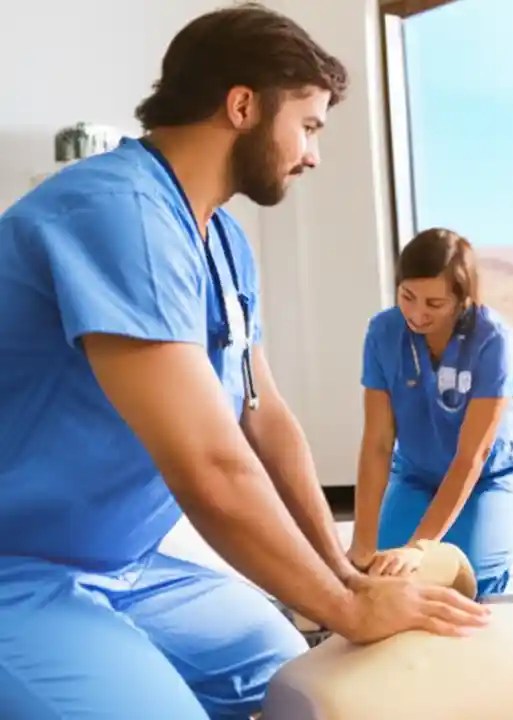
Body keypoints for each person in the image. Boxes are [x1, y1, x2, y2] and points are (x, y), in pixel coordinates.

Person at [0, 6, 487, 718]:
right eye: (310, 125)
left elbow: (266, 419)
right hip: (18, 569)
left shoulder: (221, 239)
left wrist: (342, 575)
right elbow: (211, 467)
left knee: (307, 685)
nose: (313, 154)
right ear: (243, 106)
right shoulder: (118, 214)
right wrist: (348, 612)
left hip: (126, 565)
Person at [347, 228, 513, 598]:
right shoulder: (383, 332)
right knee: (384, 574)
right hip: (417, 475)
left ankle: (511, 547)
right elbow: (377, 443)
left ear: (461, 299)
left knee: (473, 578)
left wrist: (421, 547)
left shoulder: (493, 340)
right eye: (408, 296)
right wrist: (362, 543)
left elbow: (473, 456)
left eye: (434, 304)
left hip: (492, 476)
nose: (417, 314)